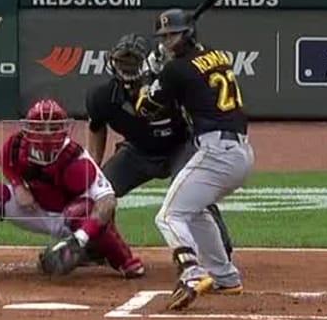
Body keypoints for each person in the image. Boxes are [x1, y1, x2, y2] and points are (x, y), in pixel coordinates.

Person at [0, 98, 145, 278]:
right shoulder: (15, 146)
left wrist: (82, 237)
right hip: (32, 208)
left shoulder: (77, 160)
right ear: (28, 128)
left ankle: (123, 261)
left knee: (84, 209)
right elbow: (4, 160)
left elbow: (108, 201)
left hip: (67, 218)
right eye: (40, 126)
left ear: (63, 129)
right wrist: (17, 185)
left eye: (52, 126)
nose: (46, 133)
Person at [133, 9, 253, 311]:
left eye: (172, 35)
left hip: (216, 153)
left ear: (188, 34)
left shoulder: (176, 70)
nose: (167, 41)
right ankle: (225, 277)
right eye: (163, 37)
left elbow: (145, 108)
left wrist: (151, 76)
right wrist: (164, 70)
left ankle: (191, 272)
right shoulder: (217, 56)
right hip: (238, 153)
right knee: (194, 210)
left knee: (169, 216)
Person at [86, 33, 235, 259]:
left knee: (194, 191)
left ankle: (219, 251)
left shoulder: (171, 85)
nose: (126, 68)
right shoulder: (102, 96)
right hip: (137, 152)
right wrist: (93, 168)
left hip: (180, 148)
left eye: (132, 62)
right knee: (98, 191)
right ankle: (98, 248)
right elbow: (96, 127)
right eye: (121, 61)